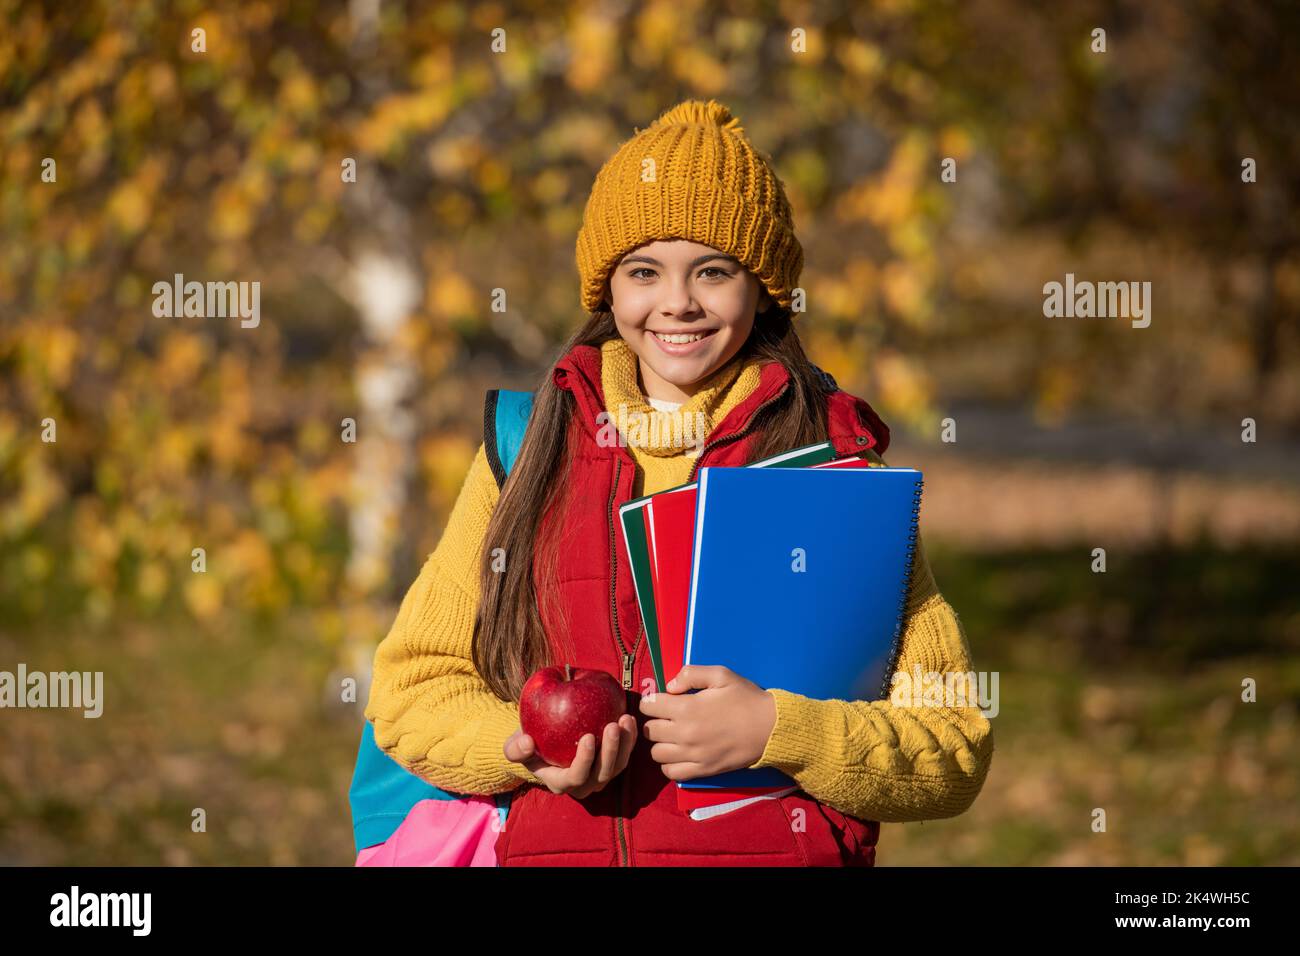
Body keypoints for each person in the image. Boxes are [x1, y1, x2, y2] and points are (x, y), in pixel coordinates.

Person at [364, 98, 994, 866]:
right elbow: (412, 688)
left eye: (714, 271)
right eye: (644, 271)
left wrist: (777, 730)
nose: (677, 303)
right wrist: (519, 749)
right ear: (608, 289)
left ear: (763, 287)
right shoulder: (527, 450)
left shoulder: (834, 466)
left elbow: (951, 740)